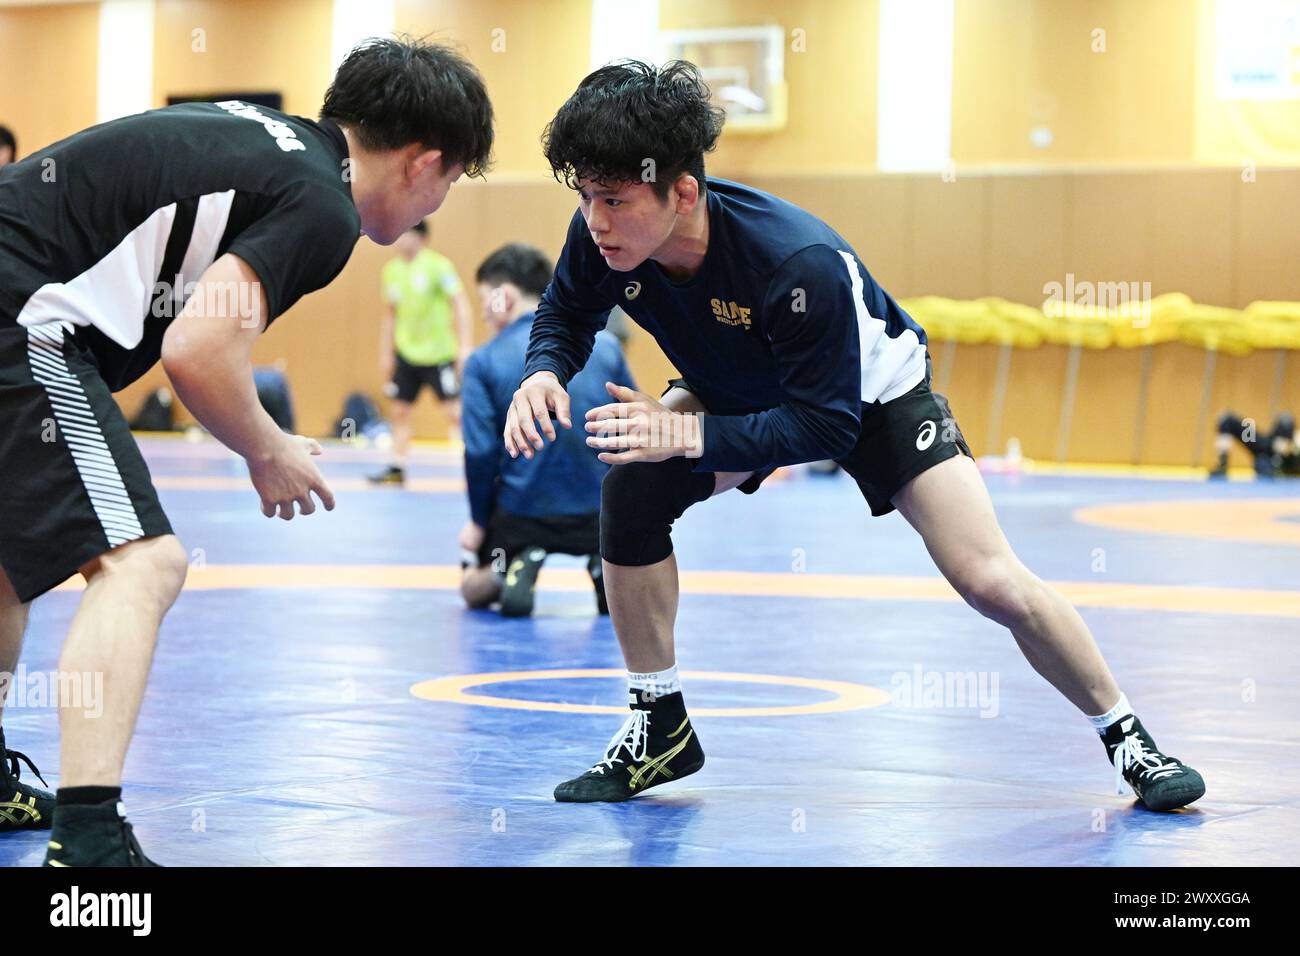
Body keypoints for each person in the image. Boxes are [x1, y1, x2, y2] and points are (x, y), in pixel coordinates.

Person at [505, 60, 1206, 811]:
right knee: (633, 491)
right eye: (584, 198)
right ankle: (660, 725)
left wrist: (683, 432)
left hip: (874, 400)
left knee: (989, 579)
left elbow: (821, 426)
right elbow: (566, 312)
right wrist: (542, 372)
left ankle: (1130, 739)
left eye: (612, 199)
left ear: (682, 192)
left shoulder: (794, 263)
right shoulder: (601, 235)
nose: (595, 220)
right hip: (739, 385)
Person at [0, 36, 493, 865]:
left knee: (8, 567)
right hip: (24, 324)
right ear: (424, 163)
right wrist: (267, 450)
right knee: (144, 563)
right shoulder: (324, 202)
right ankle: (87, 843)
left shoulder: (270, 136)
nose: (435, 200)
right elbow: (199, 348)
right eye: (449, 182)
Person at [460, 243, 633, 616]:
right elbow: (630, 429)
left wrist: (478, 524)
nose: (482, 314)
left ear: (503, 297)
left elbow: (479, 454)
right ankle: (598, 560)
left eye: (483, 300)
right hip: (598, 515)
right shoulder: (607, 347)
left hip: (523, 516)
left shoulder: (482, 360)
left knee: (472, 589)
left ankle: (521, 558)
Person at [370, 219, 474, 484]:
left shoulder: (438, 266)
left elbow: (460, 304)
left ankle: (475, 464)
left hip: (438, 355)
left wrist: (464, 346)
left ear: (421, 237)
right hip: (406, 355)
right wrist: (386, 352)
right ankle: (397, 467)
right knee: (400, 411)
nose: (401, 239)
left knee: (454, 412)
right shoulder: (391, 271)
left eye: (407, 233)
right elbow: (390, 315)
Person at [1209, 411, 1298, 478]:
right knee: (1227, 420)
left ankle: (1276, 463)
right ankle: (1223, 464)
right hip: (1267, 447)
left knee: (1264, 466)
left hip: (1271, 461)